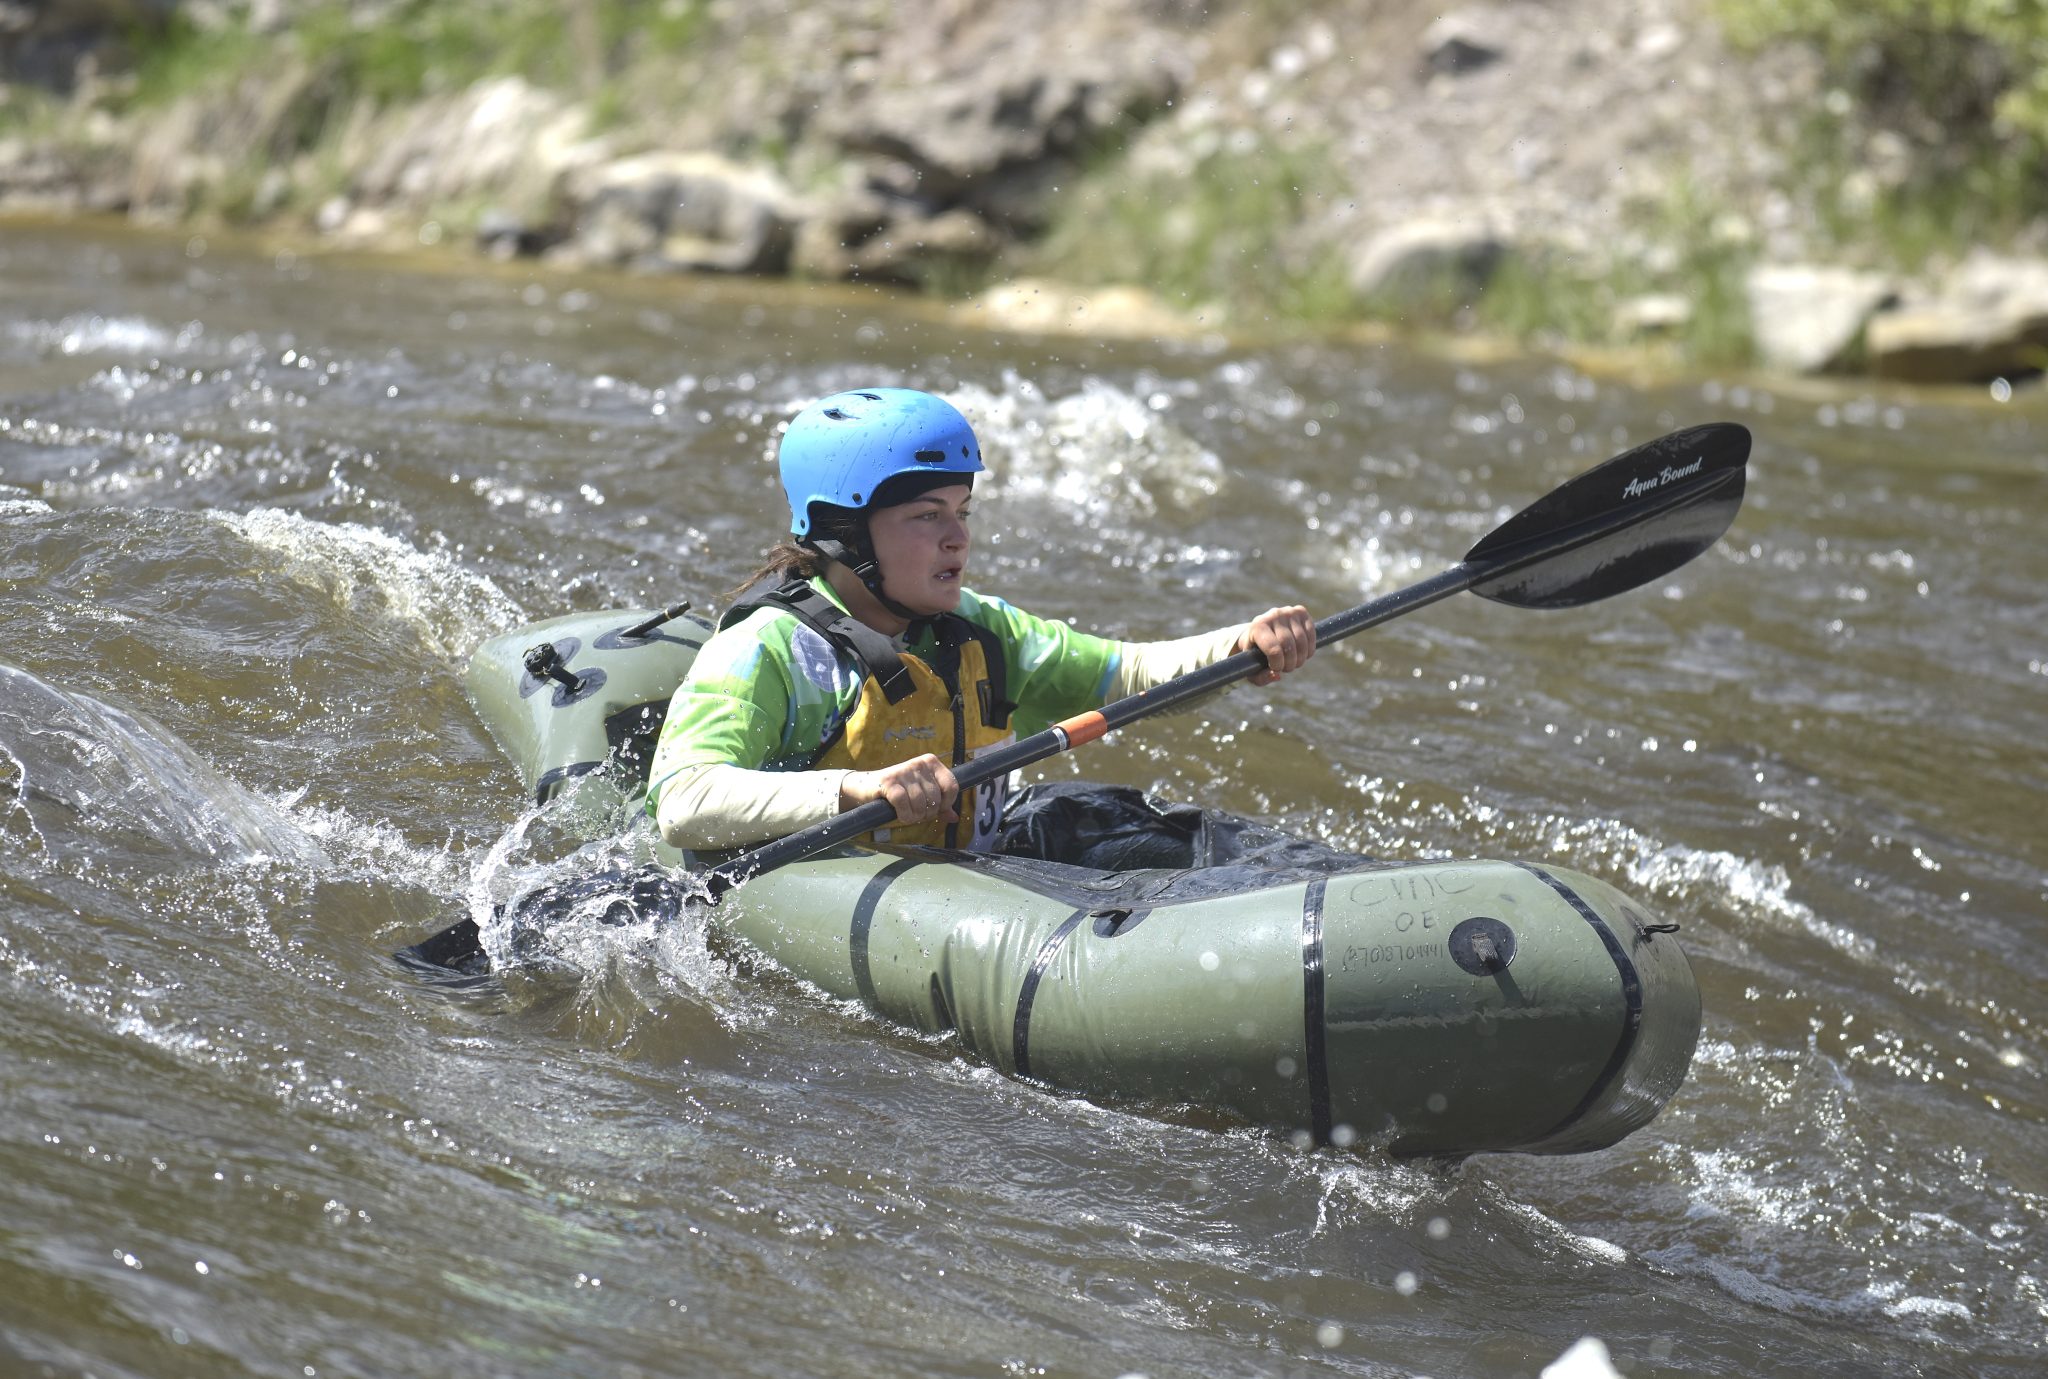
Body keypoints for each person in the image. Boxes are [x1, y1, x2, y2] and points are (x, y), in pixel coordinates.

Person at [647, 386, 1314, 854]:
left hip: (966, 867)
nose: (957, 538)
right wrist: (857, 789)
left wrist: (1244, 644)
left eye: (962, 512)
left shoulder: (981, 631)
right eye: (926, 515)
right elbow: (685, 799)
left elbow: (1128, 672)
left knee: (1154, 828)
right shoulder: (772, 649)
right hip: (834, 887)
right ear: (842, 531)